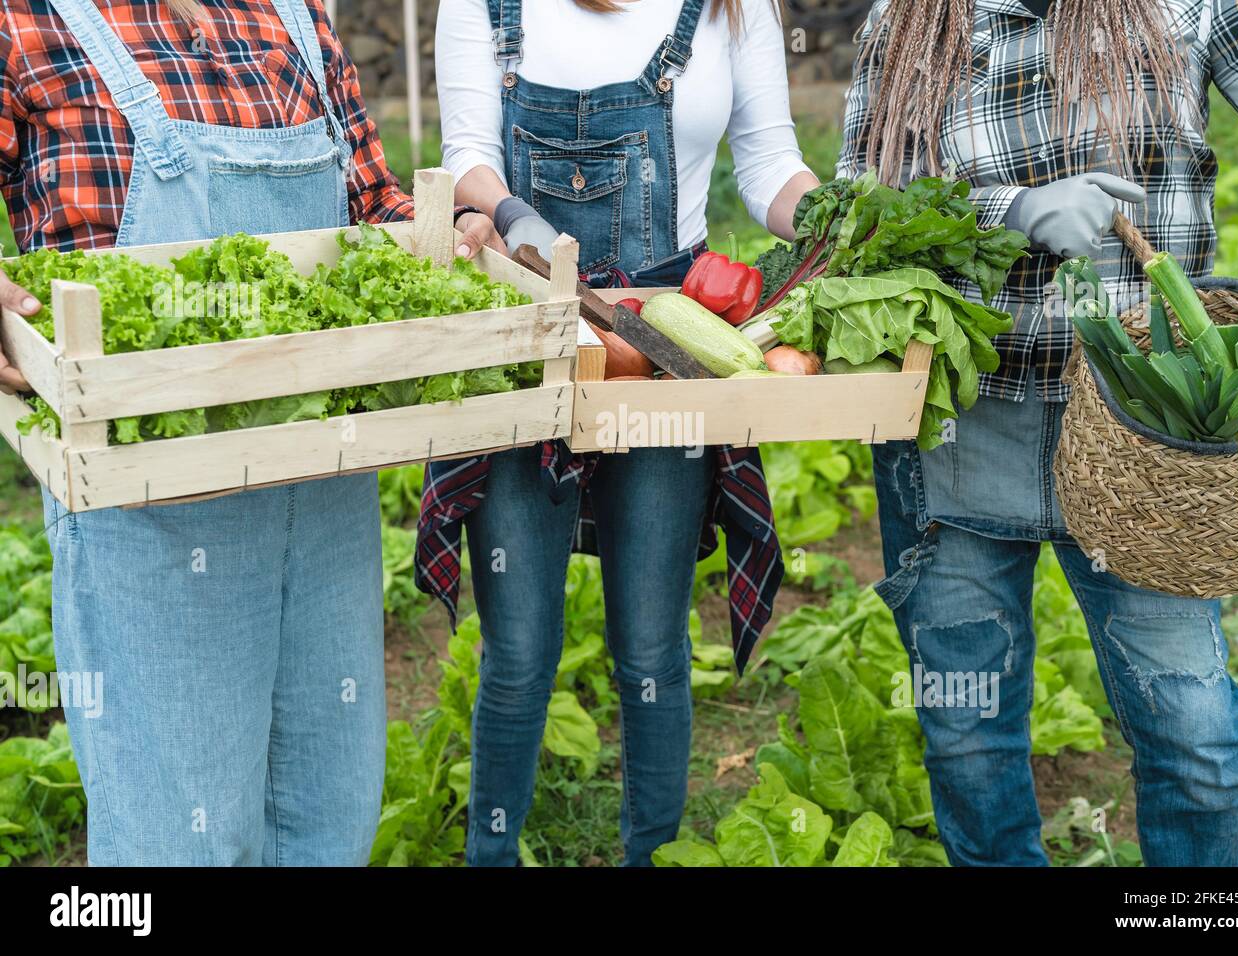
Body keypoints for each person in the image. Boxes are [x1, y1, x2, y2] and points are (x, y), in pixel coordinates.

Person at [0, 0, 499, 865]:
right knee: (175, 834)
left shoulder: (292, 16)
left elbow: (371, 205)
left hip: (326, 496)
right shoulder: (27, 19)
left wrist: (439, 242)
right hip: (151, 511)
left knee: (327, 813)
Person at [841, 0, 1238, 866]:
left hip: (1149, 437)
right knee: (968, 736)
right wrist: (1008, 209)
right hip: (960, 420)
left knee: (1196, 739)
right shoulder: (908, 21)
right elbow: (861, 205)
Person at [422, 0, 818, 866]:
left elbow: (769, 163)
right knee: (520, 651)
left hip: (664, 343)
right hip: (530, 330)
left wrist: (840, 219)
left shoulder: (731, 7)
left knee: (651, 646)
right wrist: (511, 216)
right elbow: (468, 158)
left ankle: (656, 854)